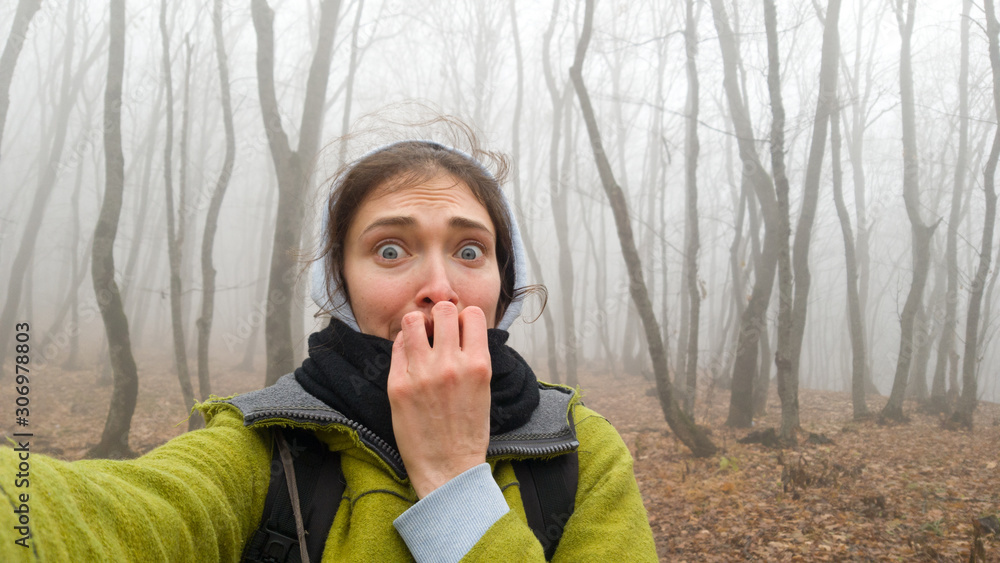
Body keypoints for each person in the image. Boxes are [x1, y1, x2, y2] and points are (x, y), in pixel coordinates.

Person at [0, 138, 658, 562]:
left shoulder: (579, 452)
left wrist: (455, 480)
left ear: (502, 285)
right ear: (341, 286)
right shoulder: (264, 448)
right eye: (391, 249)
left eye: (469, 250)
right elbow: (92, 517)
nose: (438, 285)